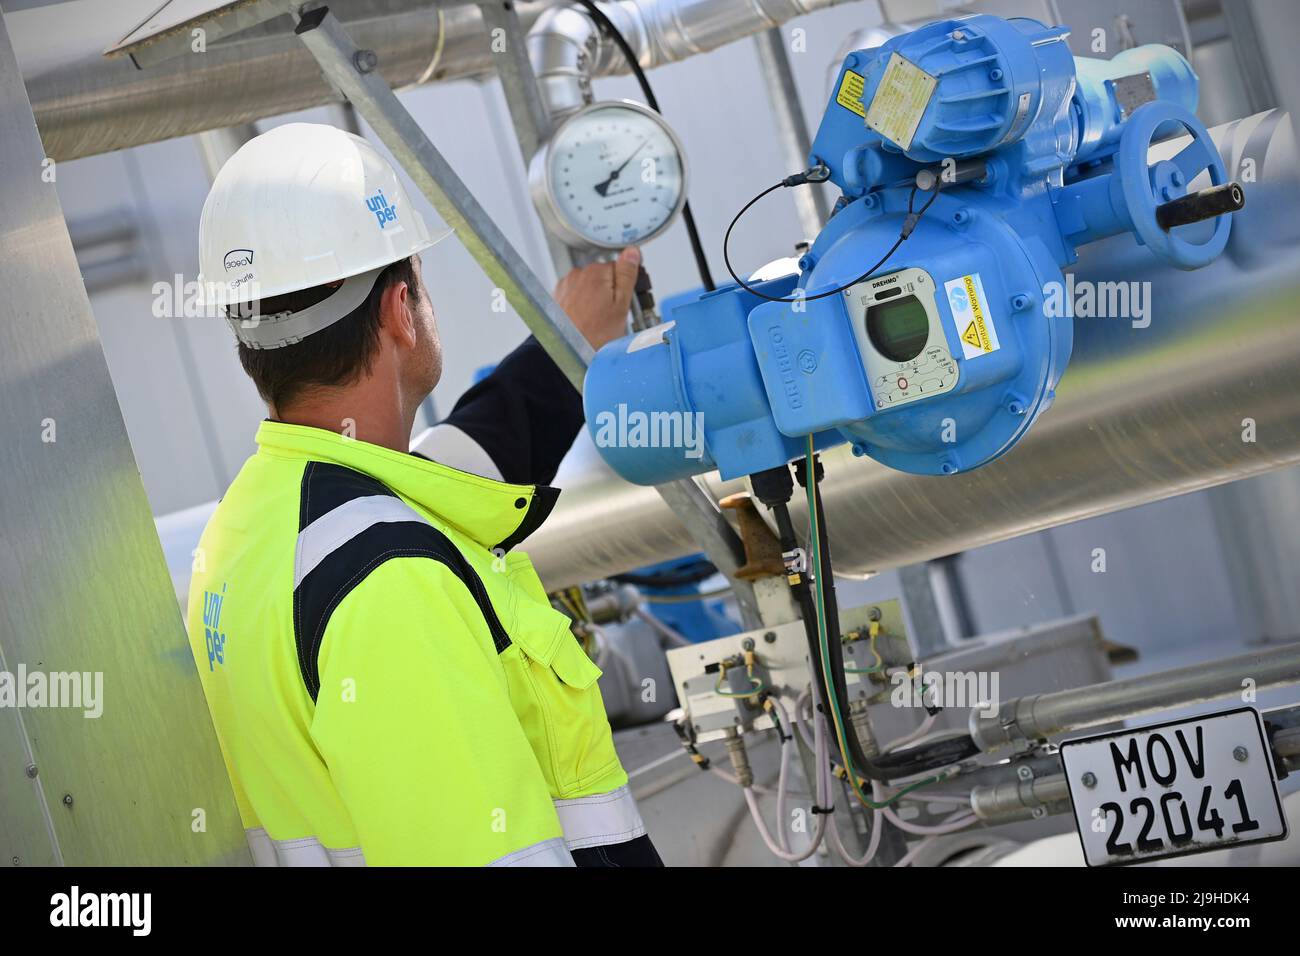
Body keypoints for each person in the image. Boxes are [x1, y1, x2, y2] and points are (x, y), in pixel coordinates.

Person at [187, 122, 661, 866]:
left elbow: (449, 478)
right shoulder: (390, 580)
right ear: (401, 310)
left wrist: (562, 350)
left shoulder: (252, 525)